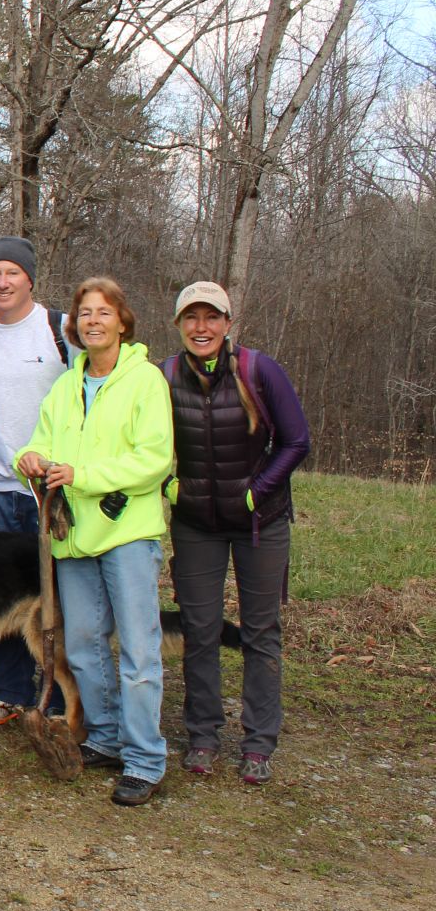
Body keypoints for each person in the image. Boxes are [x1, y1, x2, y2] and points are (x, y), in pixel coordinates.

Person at [16, 277, 174, 807]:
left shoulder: (145, 380)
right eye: (84, 313)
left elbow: (154, 459)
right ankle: (105, 737)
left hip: (127, 533)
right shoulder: (65, 385)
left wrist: (80, 474)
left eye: (104, 312)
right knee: (82, 645)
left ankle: (146, 758)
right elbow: (41, 442)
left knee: (137, 650)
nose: (93, 321)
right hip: (73, 537)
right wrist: (31, 461)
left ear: (122, 322)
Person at [161, 282, 310, 786]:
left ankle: (258, 742)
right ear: (179, 324)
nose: (201, 328)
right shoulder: (162, 375)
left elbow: (296, 440)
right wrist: (168, 485)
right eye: (191, 318)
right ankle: (203, 735)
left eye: (211, 318)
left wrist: (258, 491)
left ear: (228, 324)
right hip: (196, 522)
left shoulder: (258, 370)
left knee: (260, 632)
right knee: (200, 631)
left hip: (258, 523)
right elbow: (141, 440)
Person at [0, 235, 76, 727]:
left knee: (58, 593)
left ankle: (58, 696)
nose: (2, 282)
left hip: (51, 487)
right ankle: (10, 692)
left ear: (30, 277)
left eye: (12, 272)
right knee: (5, 594)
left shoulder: (60, 330)